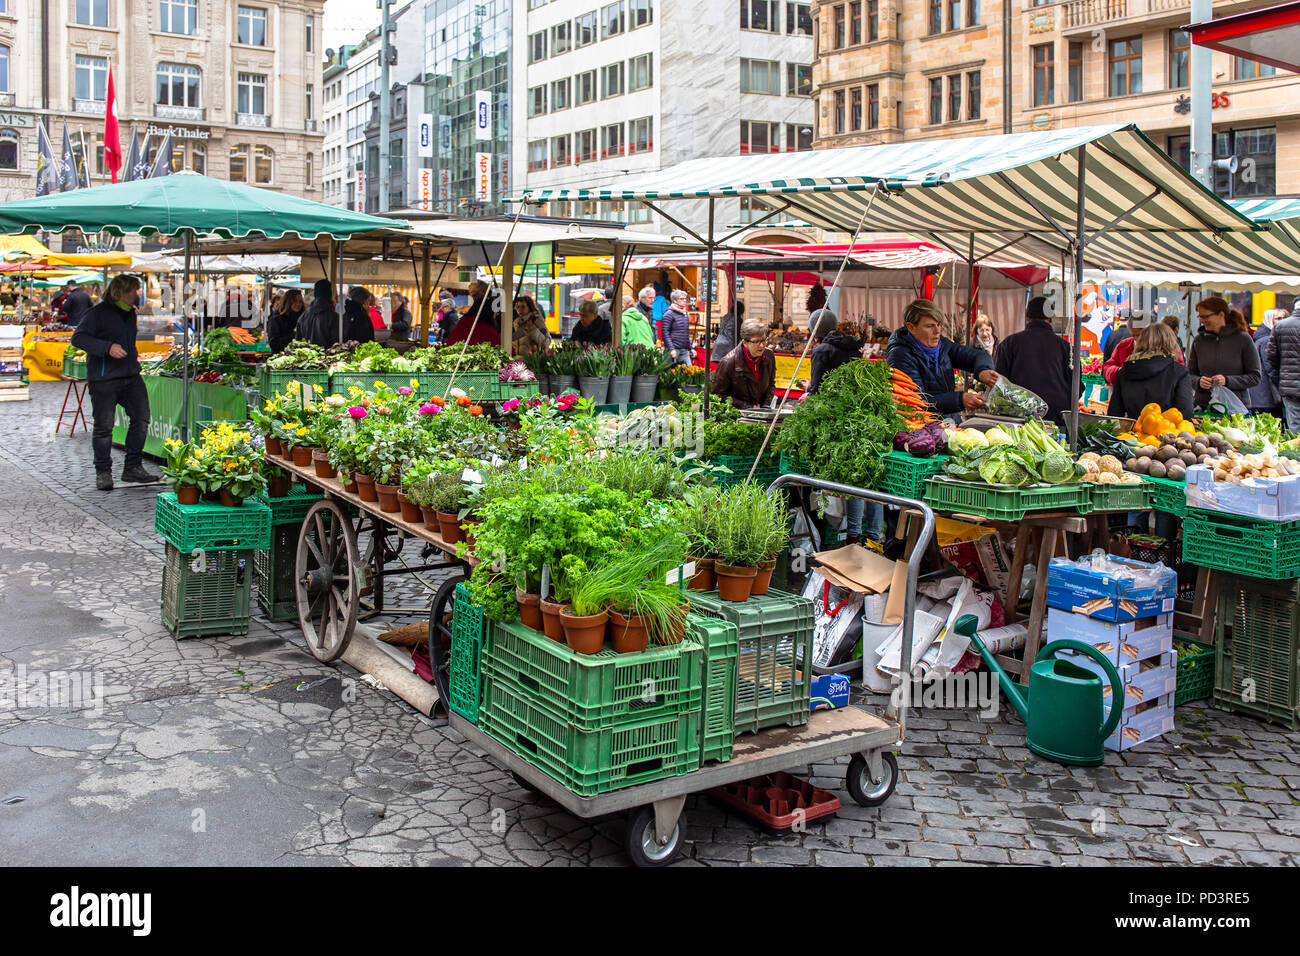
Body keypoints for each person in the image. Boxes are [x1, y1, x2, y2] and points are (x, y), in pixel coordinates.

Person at [71, 275, 160, 491]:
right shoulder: (97, 313)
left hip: (130, 376)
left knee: (141, 419)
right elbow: (78, 338)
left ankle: (133, 468)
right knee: (104, 427)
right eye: (135, 291)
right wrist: (107, 347)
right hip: (104, 379)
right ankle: (103, 472)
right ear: (121, 291)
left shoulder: (130, 313)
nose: (138, 295)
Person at [886, 298, 998, 415]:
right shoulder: (900, 356)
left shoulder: (942, 345)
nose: (937, 331)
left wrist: (983, 369)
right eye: (930, 326)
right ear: (911, 328)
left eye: (939, 325)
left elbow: (977, 355)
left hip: (948, 417)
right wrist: (959, 399)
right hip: (921, 423)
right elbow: (916, 402)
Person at [994, 295, 1075, 426]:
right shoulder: (1066, 347)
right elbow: (1076, 385)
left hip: (1018, 417)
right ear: (1050, 318)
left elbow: (999, 382)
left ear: (1027, 317)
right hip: (1056, 417)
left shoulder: (1010, 343)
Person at [1108, 323, 1194, 421]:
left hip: (1132, 433)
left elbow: (1113, 414)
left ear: (1140, 342)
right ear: (1170, 343)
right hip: (1168, 433)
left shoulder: (1124, 372)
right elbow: (1186, 413)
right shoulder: (1179, 372)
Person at [1187, 296, 1260, 411]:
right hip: (1204, 407)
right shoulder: (1199, 340)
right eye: (1200, 316)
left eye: (1205, 316)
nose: (1201, 320)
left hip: (1236, 410)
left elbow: (1255, 377)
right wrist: (1198, 381)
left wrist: (1227, 380)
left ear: (1221, 315)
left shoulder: (1243, 339)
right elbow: (1189, 374)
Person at [711, 318, 775, 410]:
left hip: (761, 413)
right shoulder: (728, 362)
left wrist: (765, 406)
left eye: (763, 340)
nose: (762, 345)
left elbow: (771, 383)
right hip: (737, 414)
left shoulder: (769, 356)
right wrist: (748, 407)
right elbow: (718, 395)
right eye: (756, 341)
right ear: (745, 342)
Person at [807, 309, 864, 395]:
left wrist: (808, 392)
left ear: (815, 331)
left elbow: (817, 391)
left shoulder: (821, 352)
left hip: (830, 405)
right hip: (850, 403)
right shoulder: (852, 347)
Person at [1266, 301, 1300, 430]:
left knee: (1295, 424)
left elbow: (1271, 355)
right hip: (1288, 382)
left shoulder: (1280, 326)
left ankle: (1296, 449)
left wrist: (1282, 373)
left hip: (1289, 384)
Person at [1248, 308, 1285, 415]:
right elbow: (1270, 367)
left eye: (1284, 318)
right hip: (1265, 394)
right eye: (1278, 318)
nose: (1282, 321)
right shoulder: (1267, 340)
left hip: (1263, 394)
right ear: (1269, 320)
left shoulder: (1266, 338)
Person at [297, 279, 337, 347]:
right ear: (330, 294)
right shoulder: (332, 316)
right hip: (327, 355)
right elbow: (337, 341)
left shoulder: (304, 315)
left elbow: (298, 339)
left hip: (306, 355)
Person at [660, 289, 693, 365]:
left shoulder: (685, 314)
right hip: (673, 349)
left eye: (685, 298)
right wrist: (671, 349)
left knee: (689, 371)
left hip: (684, 350)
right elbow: (665, 333)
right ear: (674, 301)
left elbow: (685, 334)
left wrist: (691, 348)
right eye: (681, 299)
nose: (684, 300)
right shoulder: (668, 314)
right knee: (670, 373)